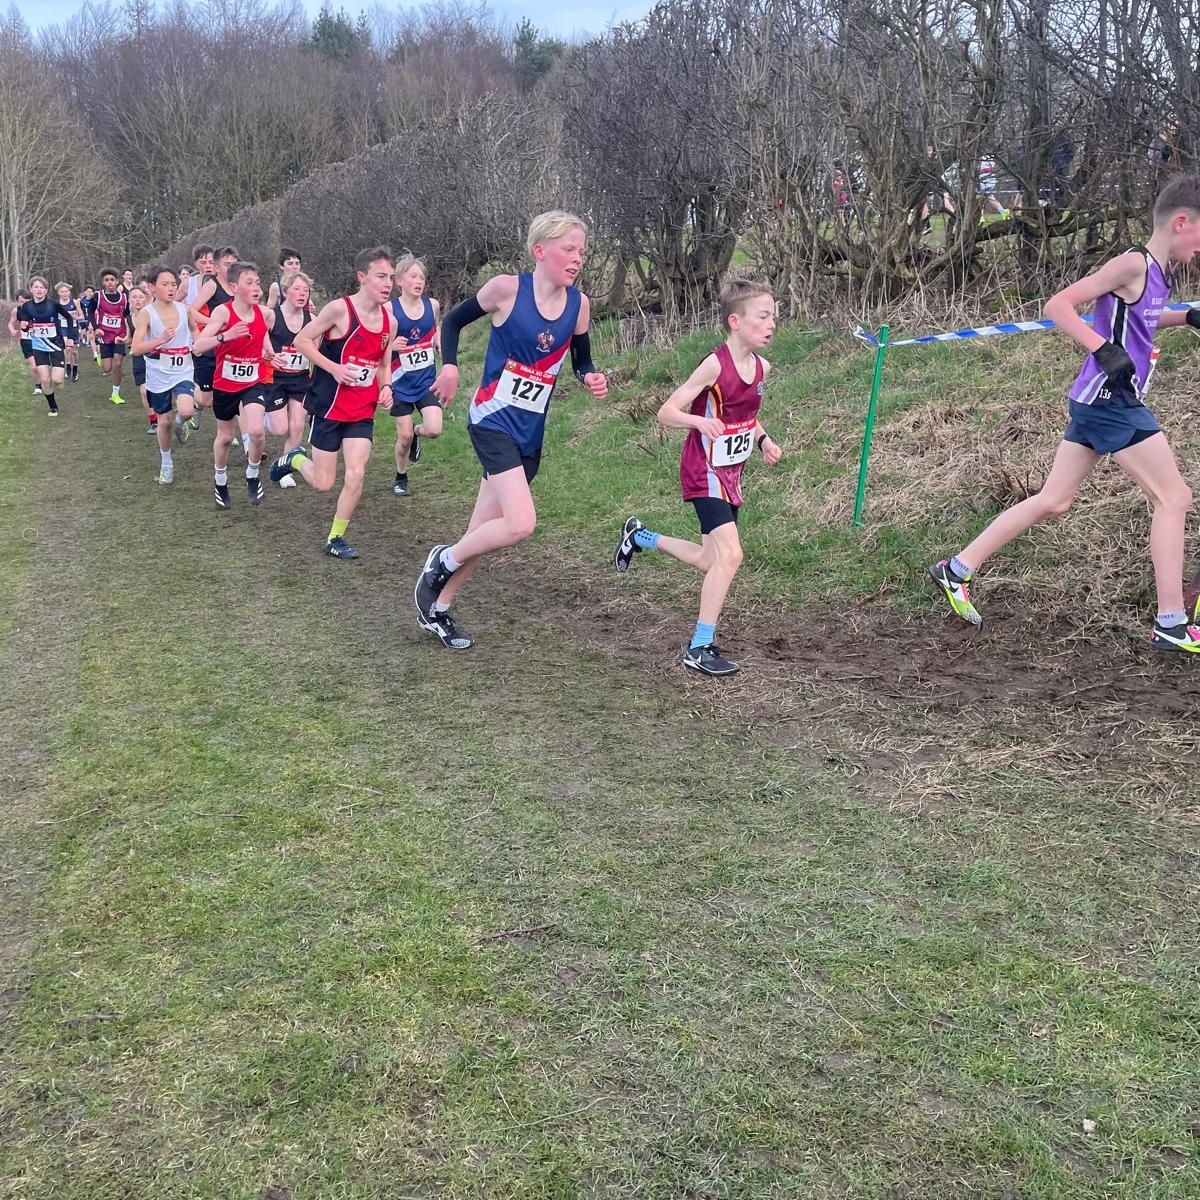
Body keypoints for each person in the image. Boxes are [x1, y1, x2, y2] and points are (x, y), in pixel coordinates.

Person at [929, 176, 1200, 652]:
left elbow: (1141, 318)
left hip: (1101, 399)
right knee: (1174, 497)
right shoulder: (1132, 262)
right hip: (1108, 401)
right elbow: (1060, 305)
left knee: (1055, 500)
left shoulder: (1160, 271)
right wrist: (1102, 349)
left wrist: (1186, 317)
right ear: (1181, 222)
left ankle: (955, 570)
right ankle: (1171, 622)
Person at [410, 211, 608, 650]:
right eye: (568, 249)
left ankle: (437, 607)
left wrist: (590, 376)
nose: (577, 259)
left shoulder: (580, 305)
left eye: (582, 252)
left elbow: (582, 358)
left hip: (530, 429)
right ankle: (442, 560)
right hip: (492, 419)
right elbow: (453, 322)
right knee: (520, 523)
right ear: (540, 251)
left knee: (485, 526)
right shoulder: (506, 289)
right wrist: (450, 367)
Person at [613, 278, 781, 676]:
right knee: (732, 555)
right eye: (764, 315)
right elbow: (667, 412)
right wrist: (699, 423)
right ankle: (700, 646)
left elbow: (747, 417)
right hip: (702, 468)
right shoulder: (713, 364)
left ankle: (639, 537)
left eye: (774, 315)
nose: (772, 323)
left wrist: (764, 441)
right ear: (735, 321)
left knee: (711, 560)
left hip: (731, 472)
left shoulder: (762, 367)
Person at [268, 247, 396, 557]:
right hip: (329, 405)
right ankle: (295, 459)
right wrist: (334, 368)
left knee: (356, 473)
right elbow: (302, 341)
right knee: (324, 483)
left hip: (362, 409)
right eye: (381, 276)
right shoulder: (340, 310)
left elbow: (382, 364)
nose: (388, 283)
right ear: (362, 278)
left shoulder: (390, 322)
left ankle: (335, 538)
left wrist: (387, 387)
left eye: (391, 277)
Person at [192, 261, 273, 509]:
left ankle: (252, 474)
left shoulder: (265, 314)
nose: (256, 288)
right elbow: (197, 347)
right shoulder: (223, 313)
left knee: (257, 431)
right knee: (226, 437)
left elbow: (264, 341)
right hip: (226, 383)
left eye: (258, 283)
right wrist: (226, 336)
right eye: (249, 283)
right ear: (234, 287)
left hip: (253, 381)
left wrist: (270, 354)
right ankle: (220, 480)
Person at [131, 265, 198, 485]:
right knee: (164, 421)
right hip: (158, 372)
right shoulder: (146, 314)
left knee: (187, 411)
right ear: (152, 287)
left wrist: (199, 341)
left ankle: (182, 422)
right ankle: (166, 462)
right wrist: (159, 340)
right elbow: (136, 348)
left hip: (183, 369)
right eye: (165, 284)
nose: (171, 288)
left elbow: (195, 329)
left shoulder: (184, 309)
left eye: (173, 284)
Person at [388, 254, 442, 496]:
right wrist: (390, 346)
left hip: (426, 381)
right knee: (404, 435)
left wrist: (439, 340)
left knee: (433, 429)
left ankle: (417, 437)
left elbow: (436, 328)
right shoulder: (389, 310)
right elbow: (374, 345)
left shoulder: (432, 305)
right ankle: (401, 476)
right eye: (413, 276)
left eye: (422, 277)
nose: (419, 281)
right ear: (399, 281)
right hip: (399, 382)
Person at [262, 269, 314, 487]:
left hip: (300, 378)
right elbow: (255, 335)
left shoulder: (312, 318)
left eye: (306, 290)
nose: (302, 294)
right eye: (297, 289)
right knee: (279, 428)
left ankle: (285, 469)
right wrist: (266, 354)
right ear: (285, 291)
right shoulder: (272, 315)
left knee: (297, 426)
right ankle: (260, 417)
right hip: (275, 378)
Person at [188, 244, 233, 431]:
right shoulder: (212, 284)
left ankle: (240, 438)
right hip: (211, 344)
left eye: (234, 263)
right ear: (217, 267)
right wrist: (214, 323)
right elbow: (190, 310)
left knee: (231, 390)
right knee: (208, 399)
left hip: (231, 346)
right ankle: (192, 399)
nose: (231, 267)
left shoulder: (238, 285)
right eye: (227, 263)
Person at [16, 277, 76, 415]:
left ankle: (59, 380)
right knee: (44, 379)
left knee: (57, 379)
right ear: (31, 289)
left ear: (46, 290)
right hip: (38, 346)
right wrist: (24, 326)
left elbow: (69, 317)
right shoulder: (26, 306)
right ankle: (53, 406)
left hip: (55, 344)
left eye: (42, 288)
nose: (39, 290)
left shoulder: (53, 304)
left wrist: (71, 338)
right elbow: (25, 324)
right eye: (36, 287)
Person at [94, 269, 132, 403]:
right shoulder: (98, 297)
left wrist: (130, 333)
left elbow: (127, 315)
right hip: (105, 335)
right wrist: (96, 328)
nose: (110, 283)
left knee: (118, 363)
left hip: (119, 336)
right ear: (103, 283)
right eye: (107, 280)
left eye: (112, 280)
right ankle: (99, 355)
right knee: (107, 368)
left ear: (117, 282)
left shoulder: (124, 298)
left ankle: (115, 394)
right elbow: (90, 312)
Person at [127, 286, 153, 430]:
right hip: (138, 356)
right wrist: (121, 339)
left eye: (140, 297)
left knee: (157, 389)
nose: (137, 300)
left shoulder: (151, 315)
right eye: (134, 297)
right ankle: (153, 420)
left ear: (145, 299)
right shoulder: (128, 319)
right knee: (144, 390)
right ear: (129, 300)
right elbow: (128, 338)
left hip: (153, 354)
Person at [8, 290, 39, 395]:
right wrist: (12, 330)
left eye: (27, 301)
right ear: (17, 301)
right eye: (22, 301)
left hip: (39, 339)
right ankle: (38, 386)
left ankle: (45, 381)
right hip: (26, 340)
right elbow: (10, 323)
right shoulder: (16, 311)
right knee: (34, 367)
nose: (24, 303)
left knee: (42, 364)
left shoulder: (38, 309)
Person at [54, 282, 82, 383]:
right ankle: (68, 366)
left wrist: (75, 317)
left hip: (73, 328)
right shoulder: (56, 304)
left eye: (66, 291)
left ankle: (75, 370)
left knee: (74, 351)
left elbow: (82, 316)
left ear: (69, 292)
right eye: (62, 292)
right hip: (62, 328)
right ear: (58, 293)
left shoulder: (75, 302)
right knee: (66, 349)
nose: (64, 293)